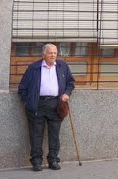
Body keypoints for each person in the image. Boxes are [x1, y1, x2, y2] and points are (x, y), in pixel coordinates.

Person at [16, 43, 75, 171]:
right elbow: (22, 88)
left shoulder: (62, 66)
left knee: (54, 134)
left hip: (56, 103)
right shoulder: (34, 68)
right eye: (50, 53)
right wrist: (28, 102)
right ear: (43, 54)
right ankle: (36, 161)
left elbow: (71, 82)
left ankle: (53, 160)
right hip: (38, 104)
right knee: (36, 134)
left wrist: (66, 93)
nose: (53, 55)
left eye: (55, 52)